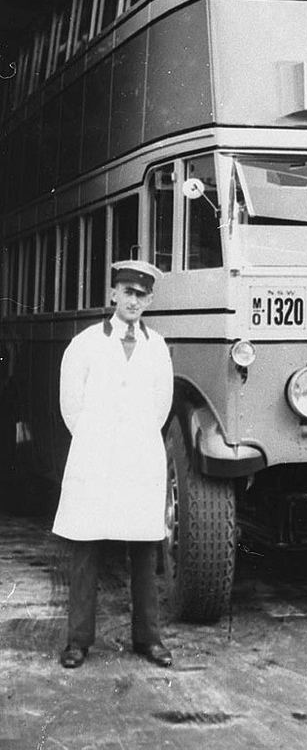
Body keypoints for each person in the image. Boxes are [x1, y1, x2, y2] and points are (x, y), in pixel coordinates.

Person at [53, 260, 174, 669]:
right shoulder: (86, 343)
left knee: (143, 549)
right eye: (127, 292)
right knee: (86, 546)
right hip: (95, 456)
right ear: (113, 295)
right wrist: (96, 439)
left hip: (139, 459)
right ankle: (78, 641)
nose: (134, 300)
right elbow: (71, 405)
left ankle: (149, 639)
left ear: (150, 300)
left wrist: (134, 440)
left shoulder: (157, 347)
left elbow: (161, 405)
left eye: (141, 295)